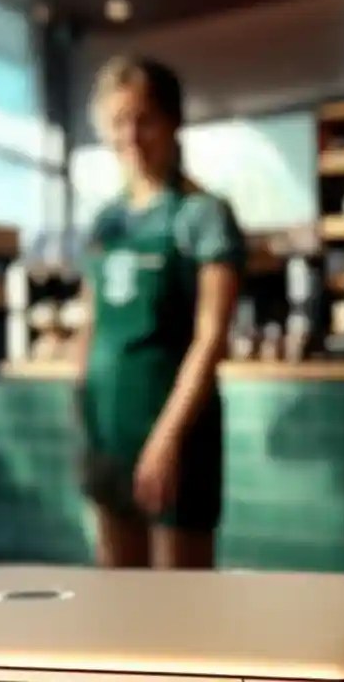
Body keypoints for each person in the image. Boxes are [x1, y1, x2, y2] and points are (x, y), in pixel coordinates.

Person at [77, 56, 244, 569]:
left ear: (172, 121)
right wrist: (82, 413)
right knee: (115, 602)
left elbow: (211, 338)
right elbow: (91, 325)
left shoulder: (204, 216)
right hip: (108, 429)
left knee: (181, 612)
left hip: (176, 434)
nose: (130, 135)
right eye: (117, 121)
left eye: (143, 118)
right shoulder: (106, 222)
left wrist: (167, 438)